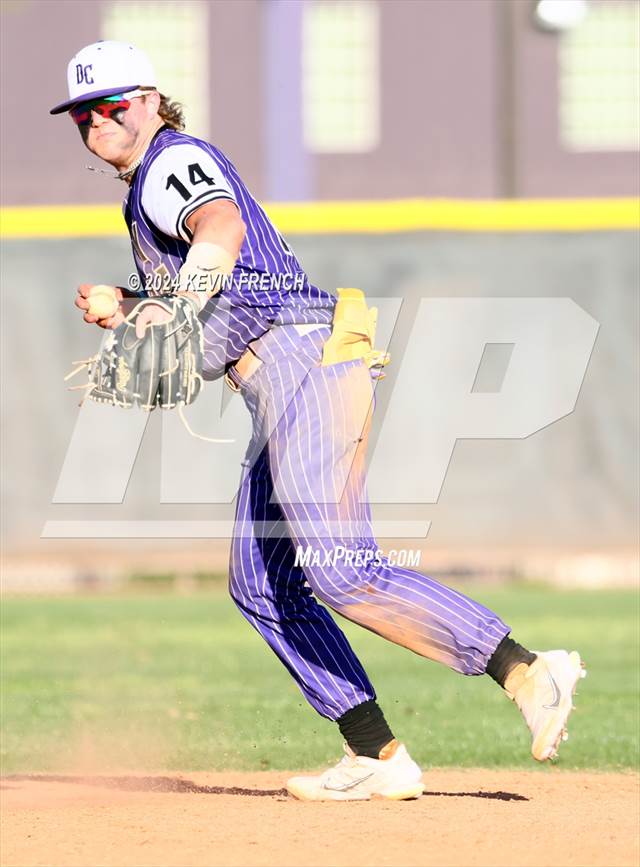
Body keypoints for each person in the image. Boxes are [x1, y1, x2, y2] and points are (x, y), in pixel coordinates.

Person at [52, 41, 585, 801]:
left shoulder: (171, 164)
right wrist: (135, 304)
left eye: (110, 104)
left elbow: (222, 228)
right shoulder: (144, 186)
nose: (96, 122)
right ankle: (377, 753)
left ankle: (530, 669)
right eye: (82, 114)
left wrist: (166, 306)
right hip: (282, 377)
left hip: (302, 361)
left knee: (340, 569)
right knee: (261, 584)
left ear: (147, 99)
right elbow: (205, 316)